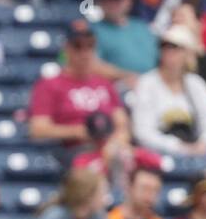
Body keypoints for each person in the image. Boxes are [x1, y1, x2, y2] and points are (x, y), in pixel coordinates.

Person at [27, 21, 131, 159]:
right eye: (78, 46)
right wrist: (78, 132)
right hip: (72, 151)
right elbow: (38, 129)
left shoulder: (105, 83)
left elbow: (121, 124)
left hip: (110, 149)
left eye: (90, 46)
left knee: (147, 178)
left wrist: (116, 142)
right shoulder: (48, 85)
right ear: (67, 49)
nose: (84, 53)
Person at [132, 24, 206, 158]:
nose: (169, 51)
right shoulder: (147, 83)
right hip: (162, 151)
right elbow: (143, 133)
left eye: (176, 47)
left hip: (196, 145)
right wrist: (178, 147)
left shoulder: (196, 84)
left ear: (188, 53)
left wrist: (204, 143)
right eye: (165, 46)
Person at [72, 111, 165, 201]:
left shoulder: (124, 151)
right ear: (89, 136)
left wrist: (131, 151)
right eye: (97, 138)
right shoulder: (82, 160)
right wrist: (105, 161)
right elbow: (82, 187)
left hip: (128, 200)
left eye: (105, 136)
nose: (102, 141)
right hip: (101, 203)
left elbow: (160, 162)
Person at [92, 0, 159, 85]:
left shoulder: (142, 27)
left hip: (153, 85)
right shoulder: (91, 30)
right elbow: (91, 65)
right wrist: (125, 76)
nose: (111, 1)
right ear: (99, 1)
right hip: (117, 87)